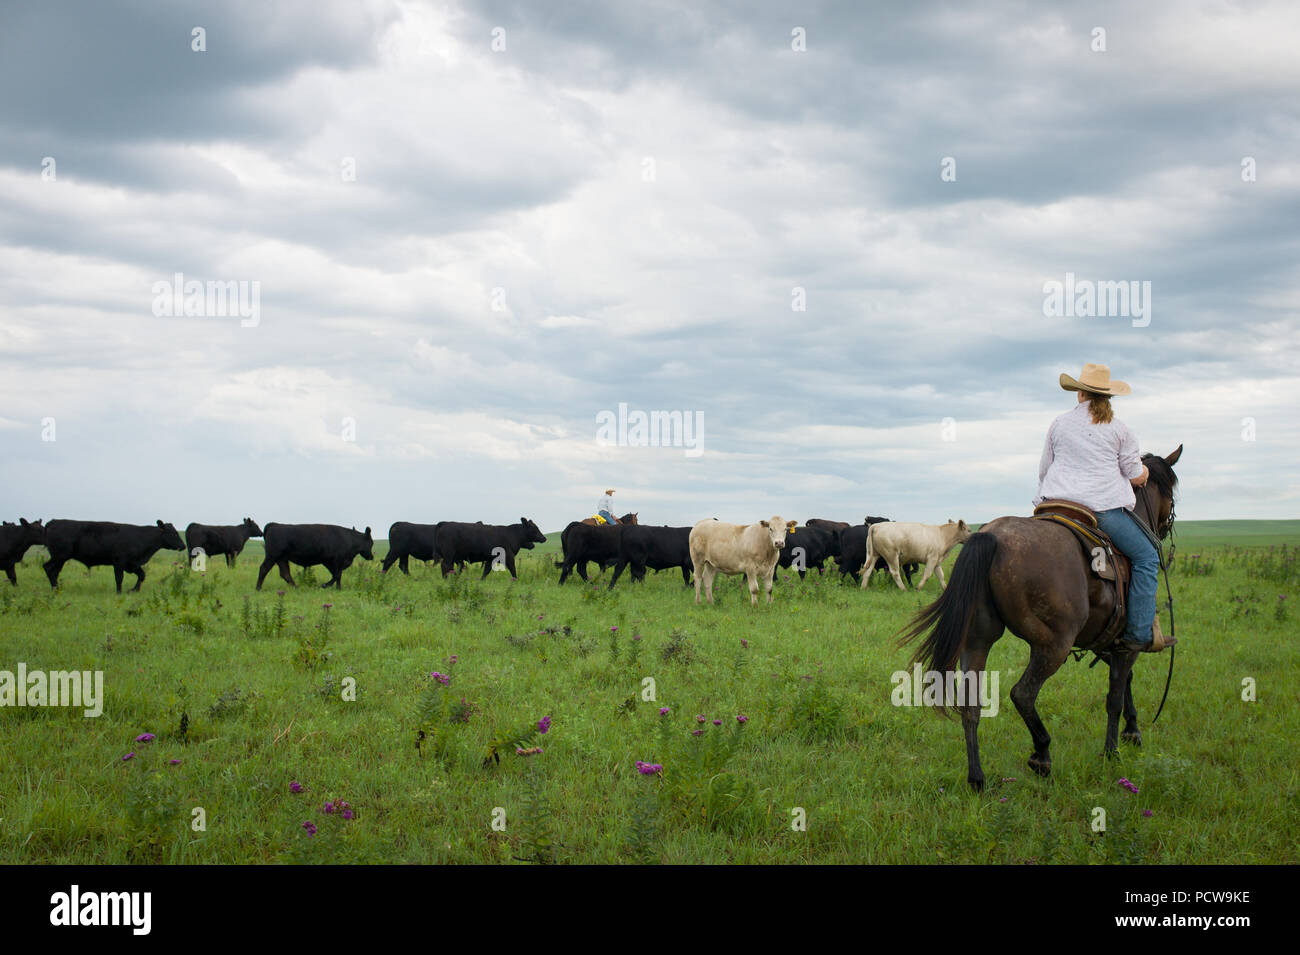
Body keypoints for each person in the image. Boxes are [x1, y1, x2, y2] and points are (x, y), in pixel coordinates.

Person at [1034, 363, 1172, 653]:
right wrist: (1145, 474)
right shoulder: (1120, 430)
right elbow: (1135, 475)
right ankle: (1137, 633)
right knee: (1147, 556)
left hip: (1054, 506)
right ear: (1108, 398)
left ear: (1080, 394)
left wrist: (1040, 502)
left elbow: (1045, 468)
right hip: (1099, 511)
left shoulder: (1058, 423)